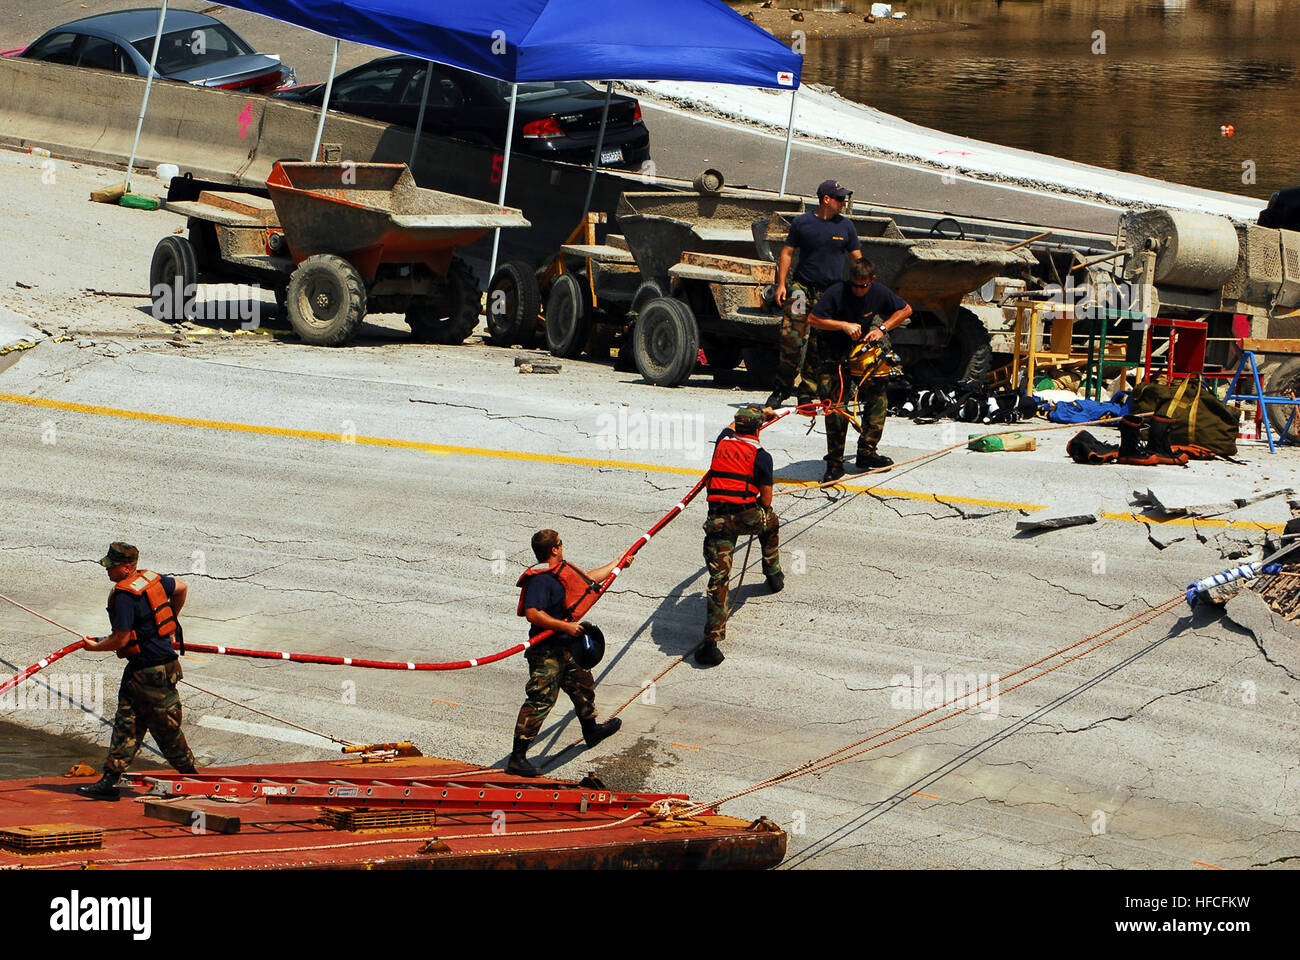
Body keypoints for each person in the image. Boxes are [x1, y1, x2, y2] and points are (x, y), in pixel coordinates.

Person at [78, 542, 196, 801]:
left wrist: (94, 647)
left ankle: (195, 778)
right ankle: (110, 780)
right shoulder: (152, 581)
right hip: (142, 669)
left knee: (166, 729)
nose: (107, 570)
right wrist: (170, 619)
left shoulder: (124, 596)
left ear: (127, 567)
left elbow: (120, 640)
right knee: (127, 723)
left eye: (112, 566)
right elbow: (181, 588)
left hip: (153, 671)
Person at [508, 531, 624, 777]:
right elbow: (533, 613)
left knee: (582, 685)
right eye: (560, 543)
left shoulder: (560, 571)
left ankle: (591, 730)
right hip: (546, 651)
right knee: (541, 699)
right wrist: (567, 627)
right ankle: (517, 758)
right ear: (554, 549)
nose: (562, 547)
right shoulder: (540, 579)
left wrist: (618, 563)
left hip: (567, 647)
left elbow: (587, 580)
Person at [806, 259, 913, 482]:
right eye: (855, 285)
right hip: (831, 354)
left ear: (872, 281)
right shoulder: (837, 292)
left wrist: (882, 329)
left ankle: (867, 453)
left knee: (878, 398)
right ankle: (834, 462)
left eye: (863, 286)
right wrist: (843, 325)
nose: (858, 290)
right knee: (836, 407)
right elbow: (813, 318)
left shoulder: (879, 292)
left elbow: (905, 309)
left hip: (859, 353)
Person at [764, 178, 864, 411]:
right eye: (839, 198)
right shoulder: (803, 223)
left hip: (830, 294)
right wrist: (781, 285)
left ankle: (806, 394)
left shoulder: (846, 226)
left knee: (819, 344)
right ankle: (781, 389)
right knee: (793, 337)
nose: (843, 202)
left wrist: (861, 285)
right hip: (802, 289)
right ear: (826, 199)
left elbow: (857, 258)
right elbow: (787, 253)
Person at [697, 405, 783, 668]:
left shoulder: (722, 442)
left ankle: (711, 644)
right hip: (747, 518)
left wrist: (755, 417)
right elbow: (766, 501)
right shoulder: (762, 456)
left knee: (719, 577)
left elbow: (731, 427)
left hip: (718, 521)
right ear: (758, 429)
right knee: (771, 522)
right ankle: (773, 573)